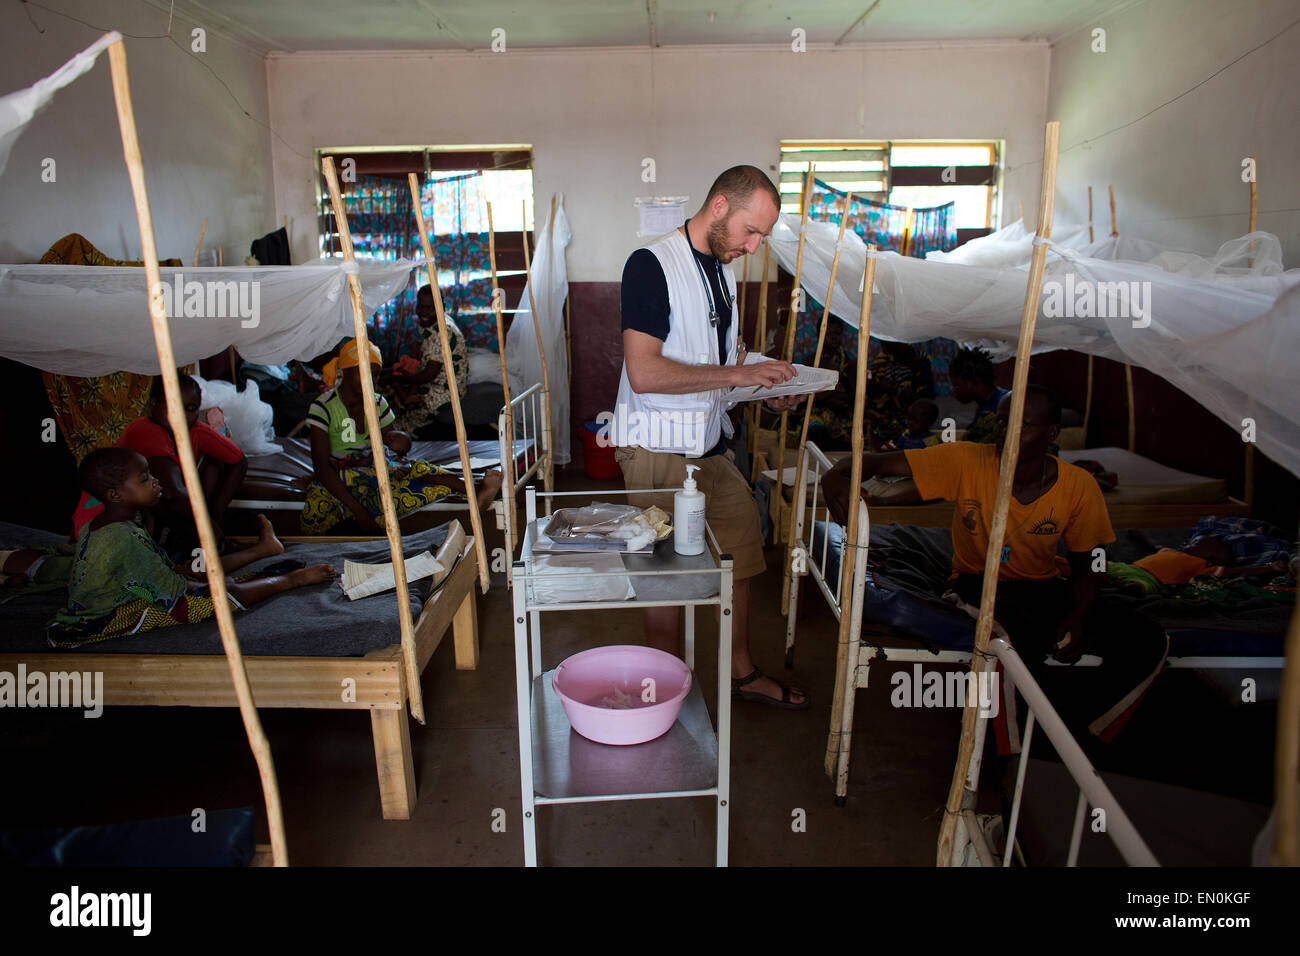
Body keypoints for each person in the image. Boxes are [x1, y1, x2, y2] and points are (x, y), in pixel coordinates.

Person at [823, 385, 1168, 740]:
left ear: (1051, 434)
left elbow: (1090, 561)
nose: (1007, 433)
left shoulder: (1079, 486)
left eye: (1023, 425)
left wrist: (1079, 615)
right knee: (1017, 644)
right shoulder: (970, 461)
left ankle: (1088, 729)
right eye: (1002, 422)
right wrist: (841, 469)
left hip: (1043, 585)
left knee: (1147, 639)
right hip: (977, 582)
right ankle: (1012, 747)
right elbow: (883, 462)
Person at [615, 164, 809, 709]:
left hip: (709, 444)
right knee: (663, 572)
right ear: (720, 205)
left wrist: (765, 379)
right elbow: (645, 373)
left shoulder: (720, 270)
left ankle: (739, 671)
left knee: (740, 552)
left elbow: (724, 360)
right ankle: (664, 685)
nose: (753, 246)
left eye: (763, 238)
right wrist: (736, 376)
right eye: (752, 231)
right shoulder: (651, 265)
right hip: (656, 447)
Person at [48, 448, 335, 647]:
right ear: (115, 494)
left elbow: (143, 575)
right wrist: (195, 584)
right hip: (107, 617)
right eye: (145, 479)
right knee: (221, 595)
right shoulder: (120, 537)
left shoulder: (107, 524)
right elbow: (161, 590)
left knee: (196, 571)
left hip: (128, 592)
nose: (156, 482)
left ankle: (263, 551)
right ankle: (290, 579)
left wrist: (185, 577)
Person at [303, 337, 501, 535]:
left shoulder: (378, 403)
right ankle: (476, 492)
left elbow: (392, 444)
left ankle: (476, 492)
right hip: (344, 478)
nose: (370, 381)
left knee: (420, 470)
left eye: (375, 375)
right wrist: (359, 511)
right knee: (322, 508)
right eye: (363, 373)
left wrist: (396, 462)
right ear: (344, 371)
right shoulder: (324, 407)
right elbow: (321, 466)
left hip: (378, 473)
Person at [71, 373, 248, 552]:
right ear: (153, 405)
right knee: (167, 489)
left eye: (191, 408)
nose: (182, 416)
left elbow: (239, 461)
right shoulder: (144, 430)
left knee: (214, 465)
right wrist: (212, 532)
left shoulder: (195, 430)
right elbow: (174, 493)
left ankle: (188, 542)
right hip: (105, 525)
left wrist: (216, 514)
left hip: (149, 508)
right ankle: (189, 543)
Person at [381, 284, 471, 437]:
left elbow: (428, 375)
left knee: (397, 425)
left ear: (441, 307)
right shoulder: (435, 322)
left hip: (442, 392)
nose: (423, 312)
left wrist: (394, 378)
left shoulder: (442, 332)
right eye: (421, 306)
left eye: (430, 308)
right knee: (389, 392)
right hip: (435, 382)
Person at [1109, 529, 1289, 596]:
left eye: (1196, 544)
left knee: (1139, 587)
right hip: (1131, 567)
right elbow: (1155, 545)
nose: (1189, 544)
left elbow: (1232, 572)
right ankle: (1099, 578)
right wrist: (1140, 535)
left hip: (1153, 580)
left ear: (1210, 557)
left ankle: (1113, 589)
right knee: (1107, 565)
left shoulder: (1201, 566)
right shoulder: (1172, 552)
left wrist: (1268, 568)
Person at [949, 345, 1008, 444]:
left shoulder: (996, 410)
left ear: (975, 383)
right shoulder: (989, 402)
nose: (952, 390)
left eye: (956, 385)